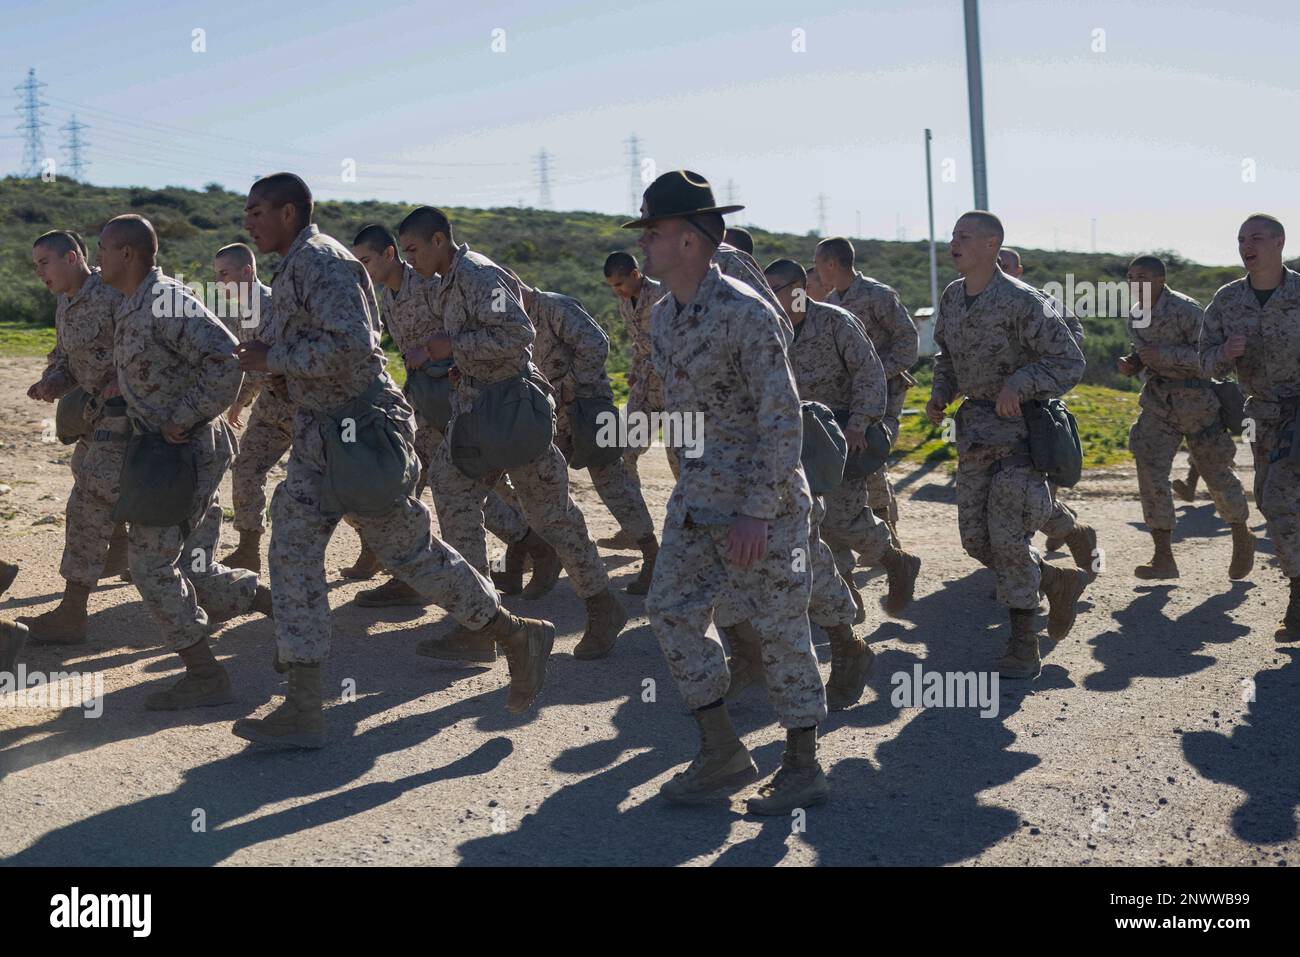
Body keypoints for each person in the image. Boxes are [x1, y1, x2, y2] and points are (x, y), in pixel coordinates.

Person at [233, 174, 554, 747]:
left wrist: (272, 355)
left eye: (257, 212)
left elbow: (354, 346)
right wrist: (273, 371)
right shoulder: (295, 268)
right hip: (320, 436)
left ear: (288, 213)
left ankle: (513, 633)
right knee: (293, 546)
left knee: (412, 553)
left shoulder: (323, 262)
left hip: (360, 433)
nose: (249, 222)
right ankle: (304, 704)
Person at [628, 170, 828, 813]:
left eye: (653, 233)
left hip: (760, 505)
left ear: (688, 241)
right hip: (696, 500)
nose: (644, 247)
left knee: (779, 629)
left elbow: (784, 417)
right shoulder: (661, 317)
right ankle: (722, 751)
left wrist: (755, 511)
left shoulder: (747, 313)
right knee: (672, 612)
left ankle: (802, 766)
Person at [396, 205, 627, 661]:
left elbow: (519, 335)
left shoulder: (481, 275)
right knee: (451, 491)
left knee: (553, 516)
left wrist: (452, 347)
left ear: (439, 240)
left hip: (514, 412)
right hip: (477, 413)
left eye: (414, 250)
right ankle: (479, 622)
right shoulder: (448, 282)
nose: (410, 261)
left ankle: (603, 606)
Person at [96, 214, 273, 710]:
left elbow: (224, 357)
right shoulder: (135, 302)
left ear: (127, 254)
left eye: (104, 249)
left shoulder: (166, 298)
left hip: (185, 450)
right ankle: (287, 610)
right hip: (170, 451)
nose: (97, 259)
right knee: (193, 566)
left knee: (149, 565)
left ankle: (204, 674)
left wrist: (183, 416)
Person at [927, 212, 1090, 679]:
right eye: (953, 235)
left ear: (992, 244)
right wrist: (941, 392)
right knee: (976, 541)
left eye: (964, 236)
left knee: (1008, 538)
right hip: (974, 434)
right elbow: (946, 355)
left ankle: (1024, 644)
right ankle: (1056, 581)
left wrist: (1021, 381)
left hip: (1020, 438)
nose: (953, 242)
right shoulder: (953, 297)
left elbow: (1068, 361)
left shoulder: (1022, 301)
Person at [350, 225, 546, 606]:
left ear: (389, 254)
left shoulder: (430, 284)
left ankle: (524, 549)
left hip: (461, 400)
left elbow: (473, 334)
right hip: (424, 403)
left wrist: (442, 355)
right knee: (416, 485)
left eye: (366, 260)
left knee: (458, 487)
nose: (363, 269)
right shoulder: (385, 298)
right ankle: (416, 573)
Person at [20, 231, 129, 645]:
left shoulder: (115, 293)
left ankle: (73, 612)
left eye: (44, 262)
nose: (39, 273)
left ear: (72, 258)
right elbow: (64, 356)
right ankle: (118, 546)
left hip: (130, 416)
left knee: (86, 503)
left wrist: (123, 381)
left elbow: (144, 348)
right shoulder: (65, 301)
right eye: (35, 265)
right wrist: (51, 381)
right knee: (87, 474)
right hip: (97, 415)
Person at [518, 281, 659, 595]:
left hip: (590, 408)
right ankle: (545, 557)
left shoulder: (556, 306)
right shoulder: (517, 316)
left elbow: (597, 343)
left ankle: (652, 556)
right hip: (554, 415)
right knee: (540, 483)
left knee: (614, 483)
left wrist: (571, 383)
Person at [1120, 255, 1253, 579]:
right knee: (1150, 470)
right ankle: (1163, 556)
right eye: (1131, 276)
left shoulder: (1187, 310)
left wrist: (1163, 355)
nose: (1135, 282)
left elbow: (1212, 357)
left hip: (1197, 402)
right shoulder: (1135, 314)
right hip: (1158, 403)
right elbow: (1144, 353)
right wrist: (1134, 363)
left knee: (1214, 472)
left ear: (1160, 280)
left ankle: (1241, 534)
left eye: (1142, 277)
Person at [1199, 213, 1300, 640]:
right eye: (1241, 239)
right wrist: (1225, 351)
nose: (1246, 245)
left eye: (1256, 237)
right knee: (1273, 502)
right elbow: (1203, 362)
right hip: (1264, 418)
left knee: (1280, 500)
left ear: (1278, 242)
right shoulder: (1227, 300)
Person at [998, 247, 1098, 573]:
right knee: (1002, 491)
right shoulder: (973, 299)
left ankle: (1033, 564)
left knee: (1031, 492)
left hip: (1036, 412)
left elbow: (1073, 336)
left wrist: (1036, 367)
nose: (999, 268)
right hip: (990, 415)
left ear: (1020, 270)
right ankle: (1059, 537)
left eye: (1005, 264)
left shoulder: (1040, 301)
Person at [816, 236, 918, 547]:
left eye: (819, 263)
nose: (816, 270)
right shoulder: (831, 304)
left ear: (832, 263)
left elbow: (908, 343)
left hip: (885, 394)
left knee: (871, 457)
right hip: (847, 397)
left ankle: (887, 532)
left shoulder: (878, 296)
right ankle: (870, 533)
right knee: (853, 462)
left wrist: (873, 374)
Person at [211, 243, 288, 577]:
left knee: (328, 478)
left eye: (224, 274)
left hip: (306, 404)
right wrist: (240, 402)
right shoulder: (246, 308)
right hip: (272, 403)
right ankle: (248, 550)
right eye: (216, 276)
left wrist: (239, 400)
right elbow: (251, 363)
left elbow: (262, 362)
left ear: (247, 272)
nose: (219, 283)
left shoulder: (271, 304)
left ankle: (370, 543)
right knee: (246, 467)